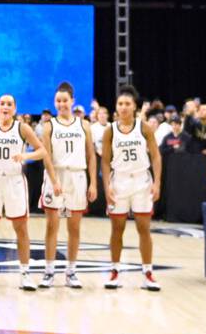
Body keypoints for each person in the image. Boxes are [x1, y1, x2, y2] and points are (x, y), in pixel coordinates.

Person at [0, 94, 55, 291]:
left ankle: (25, 274)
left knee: (21, 228)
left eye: (9, 104)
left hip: (15, 180)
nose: (5, 107)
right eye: (2, 103)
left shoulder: (22, 128)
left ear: (14, 109)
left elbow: (42, 151)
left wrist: (25, 155)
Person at [101, 84, 162, 291]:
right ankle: (114, 270)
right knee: (117, 228)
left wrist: (157, 182)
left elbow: (155, 155)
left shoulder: (143, 127)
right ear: (116, 107)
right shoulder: (110, 130)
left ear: (134, 106)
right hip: (119, 181)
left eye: (127, 103)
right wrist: (107, 185)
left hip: (141, 182)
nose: (124, 107)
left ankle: (147, 272)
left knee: (143, 228)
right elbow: (105, 161)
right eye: (120, 104)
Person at [40, 81, 97, 288]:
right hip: (56, 176)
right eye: (58, 101)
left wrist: (93, 184)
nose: (62, 104)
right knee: (51, 226)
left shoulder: (84, 125)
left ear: (72, 101)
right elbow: (47, 156)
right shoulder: (48, 126)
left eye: (65, 100)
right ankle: (48, 271)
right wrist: (54, 181)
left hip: (77, 177)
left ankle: (71, 271)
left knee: (74, 227)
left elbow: (91, 156)